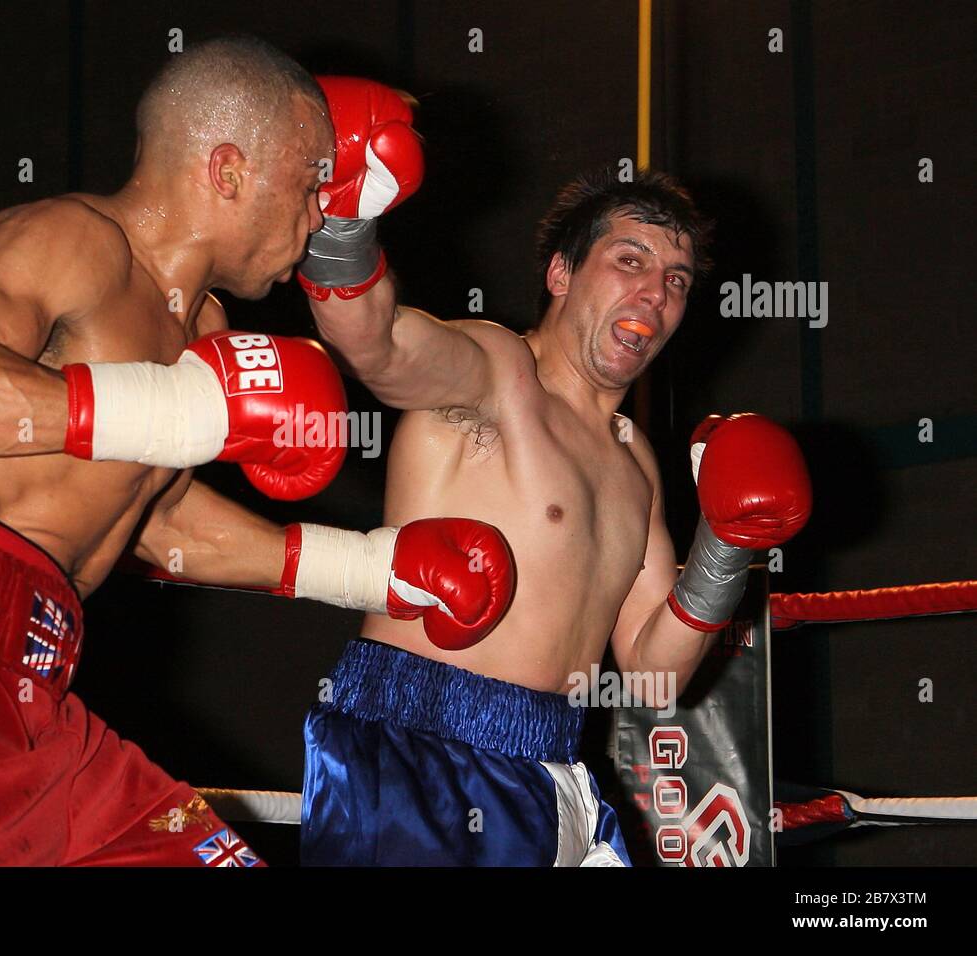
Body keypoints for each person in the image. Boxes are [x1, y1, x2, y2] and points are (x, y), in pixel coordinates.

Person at [0, 39, 512, 867]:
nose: (322, 211)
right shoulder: (71, 241)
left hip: (32, 681)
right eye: (312, 178)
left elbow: (158, 516)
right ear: (229, 170)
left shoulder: (204, 337)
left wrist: (366, 568)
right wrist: (187, 410)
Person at [294, 78, 813, 865]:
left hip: (558, 763)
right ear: (562, 274)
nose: (656, 293)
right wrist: (345, 214)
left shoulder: (636, 457)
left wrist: (725, 547)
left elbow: (650, 670)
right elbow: (378, 346)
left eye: (676, 280)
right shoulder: (496, 373)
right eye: (629, 260)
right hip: (421, 757)